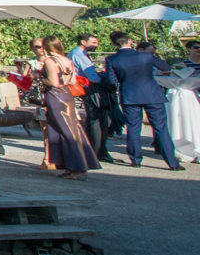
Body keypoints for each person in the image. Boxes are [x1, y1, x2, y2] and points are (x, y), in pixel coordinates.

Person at [105, 32, 184, 170]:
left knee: (133, 127)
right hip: (151, 94)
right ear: (130, 41)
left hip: (129, 96)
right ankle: (172, 162)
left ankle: (136, 159)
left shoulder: (112, 59)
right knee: (161, 128)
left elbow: (111, 81)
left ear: (114, 44)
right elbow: (166, 67)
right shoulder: (146, 56)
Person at [37, 35, 95, 177]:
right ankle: (74, 166)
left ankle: (77, 167)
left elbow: (54, 82)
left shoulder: (50, 61)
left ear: (46, 47)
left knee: (65, 131)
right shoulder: (67, 60)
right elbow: (72, 80)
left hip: (56, 96)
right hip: (67, 94)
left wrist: (39, 78)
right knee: (72, 129)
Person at [71, 33, 115, 163]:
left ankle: (94, 150)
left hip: (86, 88)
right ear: (84, 42)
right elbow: (92, 77)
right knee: (97, 121)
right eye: (94, 43)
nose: (96, 46)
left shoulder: (77, 53)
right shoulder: (79, 55)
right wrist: (103, 77)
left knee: (94, 120)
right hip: (90, 89)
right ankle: (97, 151)